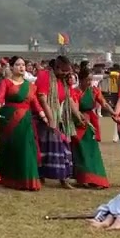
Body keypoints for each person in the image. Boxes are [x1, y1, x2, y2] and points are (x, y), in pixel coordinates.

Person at [0, 56, 46, 191]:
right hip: (8, 118)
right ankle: (6, 177)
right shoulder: (6, 83)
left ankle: (27, 180)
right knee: (8, 148)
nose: (21, 67)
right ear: (11, 67)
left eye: (23, 65)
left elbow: (35, 104)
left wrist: (44, 116)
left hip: (25, 120)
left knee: (26, 149)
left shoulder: (30, 86)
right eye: (17, 65)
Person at [34, 56, 83, 189]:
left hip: (60, 117)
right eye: (63, 71)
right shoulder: (45, 76)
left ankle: (64, 178)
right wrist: (50, 119)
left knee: (64, 148)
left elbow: (69, 99)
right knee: (46, 149)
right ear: (55, 68)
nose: (65, 74)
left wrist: (78, 115)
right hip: (44, 118)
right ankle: (42, 176)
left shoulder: (64, 81)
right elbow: (42, 98)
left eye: (67, 72)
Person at [71, 67, 111, 189]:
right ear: (81, 80)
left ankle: (96, 179)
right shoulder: (74, 92)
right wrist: (82, 119)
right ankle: (82, 179)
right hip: (79, 123)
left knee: (93, 152)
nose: (89, 82)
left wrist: (113, 113)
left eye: (91, 80)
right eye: (87, 80)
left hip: (91, 123)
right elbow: (75, 109)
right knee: (80, 151)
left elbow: (104, 103)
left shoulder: (94, 91)